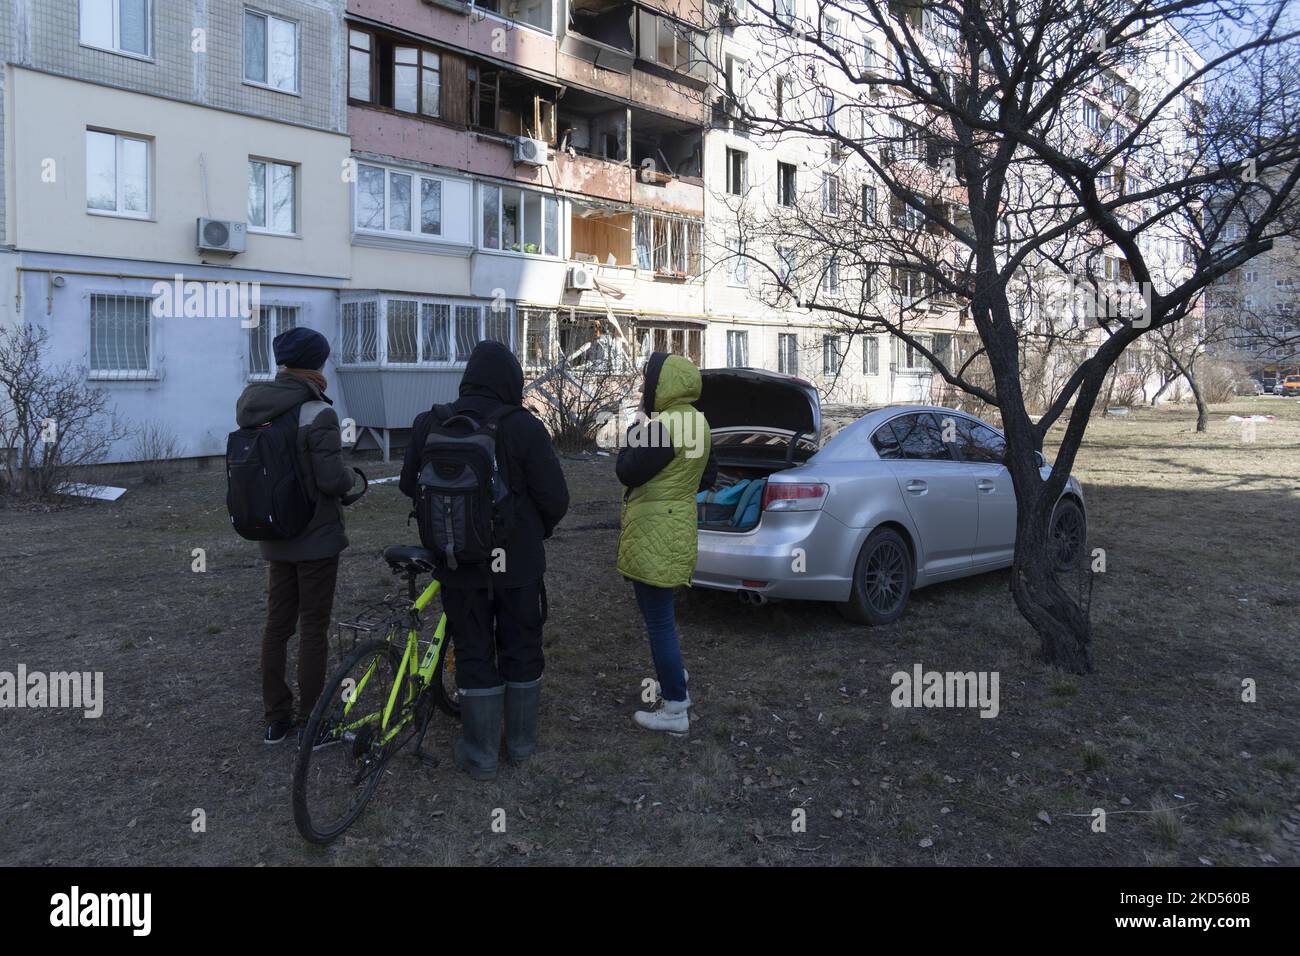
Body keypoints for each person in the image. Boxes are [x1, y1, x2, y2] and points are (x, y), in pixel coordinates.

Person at [399, 340, 569, 781]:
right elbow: (556, 497)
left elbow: (407, 486)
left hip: (459, 561)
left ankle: (479, 755)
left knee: (473, 649)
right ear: (510, 380)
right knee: (522, 643)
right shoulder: (524, 427)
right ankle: (521, 745)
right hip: (517, 562)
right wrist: (536, 528)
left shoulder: (429, 423)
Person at [235, 327, 355, 745]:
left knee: (277, 625)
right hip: (315, 536)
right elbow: (329, 478)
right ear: (316, 364)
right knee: (313, 628)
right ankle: (314, 720)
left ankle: (276, 718)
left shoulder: (256, 406)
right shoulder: (316, 411)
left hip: (273, 530)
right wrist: (351, 482)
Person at [615, 352, 714, 735]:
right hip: (678, 526)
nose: (645, 390)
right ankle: (675, 679)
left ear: (661, 385)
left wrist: (637, 422)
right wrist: (678, 487)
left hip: (654, 530)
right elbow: (709, 476)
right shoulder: (700, 424)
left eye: (648, 383)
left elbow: (626, 469)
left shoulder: (662, 426)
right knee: (660, 615)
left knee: (659, 621)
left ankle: (675, 706)